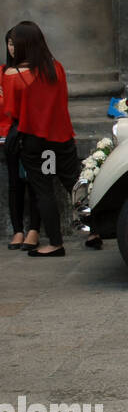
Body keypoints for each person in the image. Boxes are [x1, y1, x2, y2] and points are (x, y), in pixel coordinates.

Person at [4, 22, 79, 257]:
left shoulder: (12, 75)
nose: (12, 48)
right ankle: (96, 229)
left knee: (43, 189)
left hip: (34, 140)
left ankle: (55, 243)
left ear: (24, 45)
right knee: (76, 185)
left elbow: (10, 111)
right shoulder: (55, 68)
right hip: (62, 136)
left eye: (15, 43)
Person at [3, 27, 41, 249]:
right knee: (14, 183)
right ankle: (18, 230)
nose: (12, 48)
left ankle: (34, 229)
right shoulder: (5, 73)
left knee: (35, 183)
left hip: (33, 132)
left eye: (15, 43)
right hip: (13, 133)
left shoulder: (37, 72)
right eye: (9, 43)